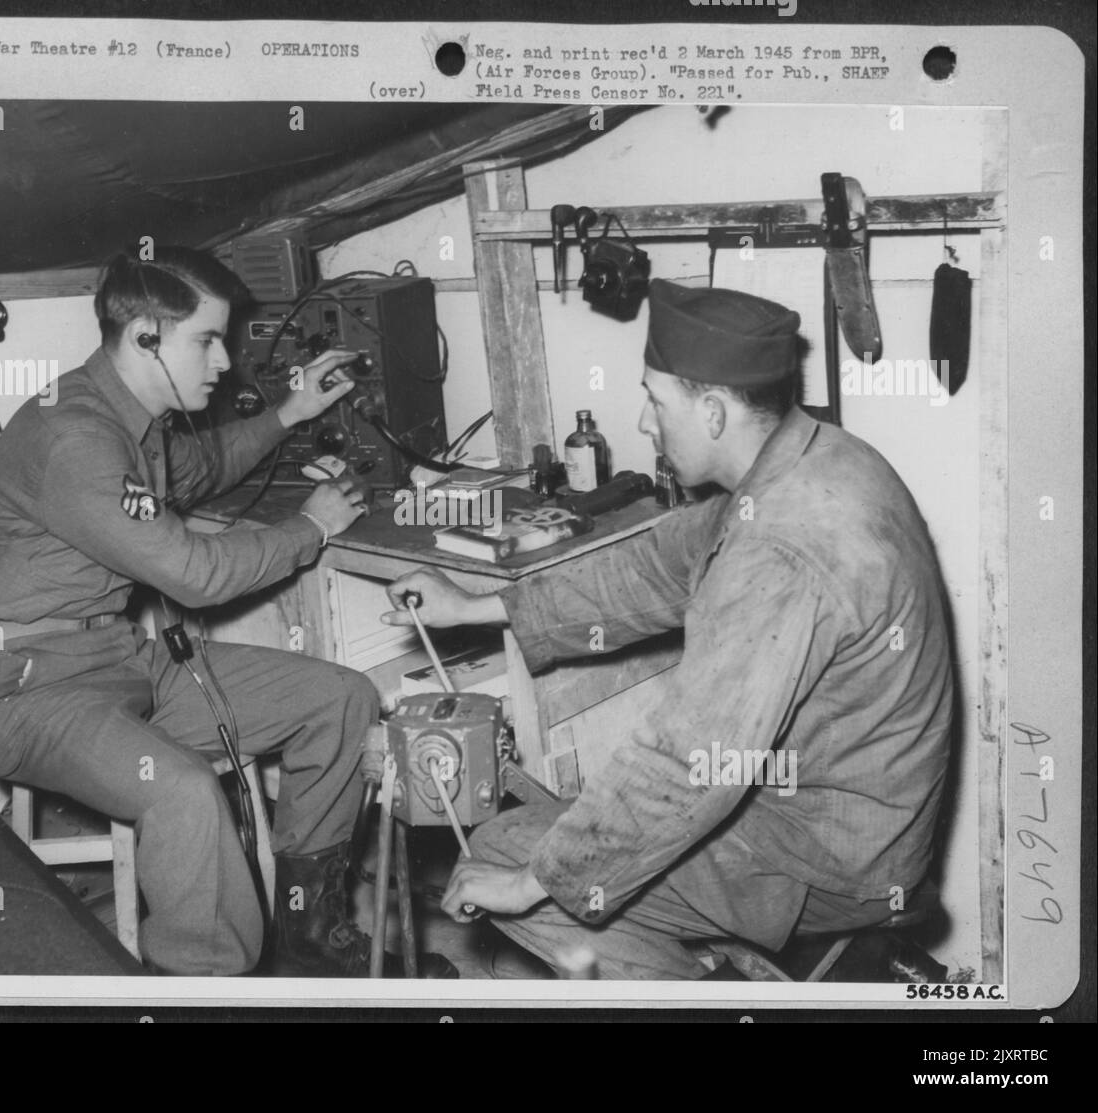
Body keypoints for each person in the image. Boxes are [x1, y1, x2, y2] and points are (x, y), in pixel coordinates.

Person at [382, 278, 953, 980]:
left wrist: (535, 880)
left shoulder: (780, 547)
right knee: (594, 820)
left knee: (504, 849)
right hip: (850, 815)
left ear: (712, 412)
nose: (645, 422)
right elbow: (659, 561)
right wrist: (474, 605)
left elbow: (691, 762)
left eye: (656, 400)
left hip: (828, 860)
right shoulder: (816, 456)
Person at [0, 246, 456, 978]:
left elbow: (203, 466)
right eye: (207, 340)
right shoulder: (77, 437)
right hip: (27, 689)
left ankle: (306, 934)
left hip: (122, 662)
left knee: (342, 699)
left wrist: (292, 409)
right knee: (184, 790)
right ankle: (201, 983)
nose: (223, 361)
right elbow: (195, 575)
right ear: (146, 336)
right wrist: (308, 528)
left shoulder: (137, 419)